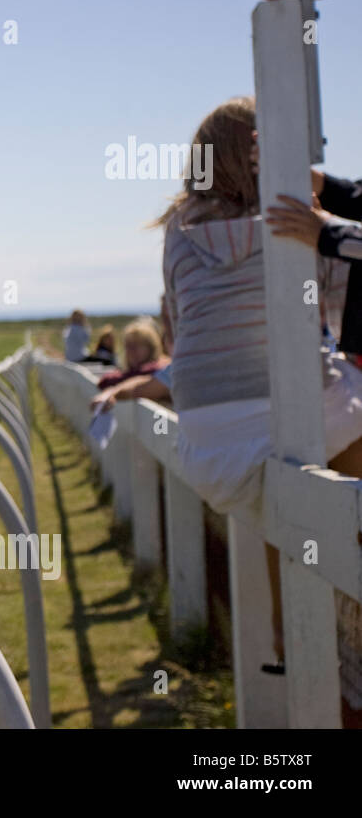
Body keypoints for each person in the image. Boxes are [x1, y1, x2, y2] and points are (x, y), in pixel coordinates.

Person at [157, 96, 362, 722]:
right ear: (259, 149)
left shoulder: (177, 231)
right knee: (335, 450)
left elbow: (173, 331)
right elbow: (336, 303)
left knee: (291, 510)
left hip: (207, 446)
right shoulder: (293, 222)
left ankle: (285, 635)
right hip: (287, 420)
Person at [95, 316, 166, 390]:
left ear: (150, 347)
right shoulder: (132, 371)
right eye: (128, 345)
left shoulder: (159, 370)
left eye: (138, 344)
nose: (132, 350)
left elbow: (107, 382)